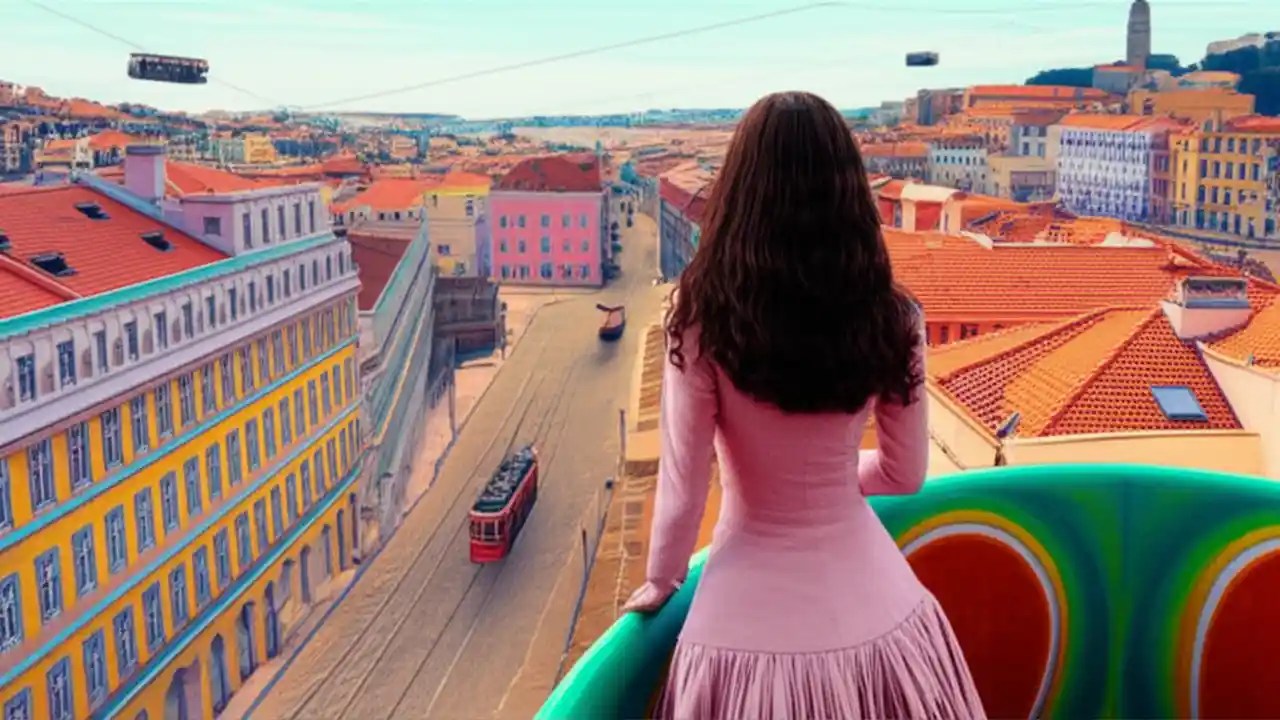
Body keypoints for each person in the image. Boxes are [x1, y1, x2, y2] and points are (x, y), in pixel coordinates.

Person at [622, 91, 986, 719]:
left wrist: (661, 581)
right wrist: (829, 482)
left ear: (739, 191)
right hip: (882, 609)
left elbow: (683, 489)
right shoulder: (894, 315)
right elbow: (905, 474)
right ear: (849, 195)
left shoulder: (701, 320)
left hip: (744, 623)